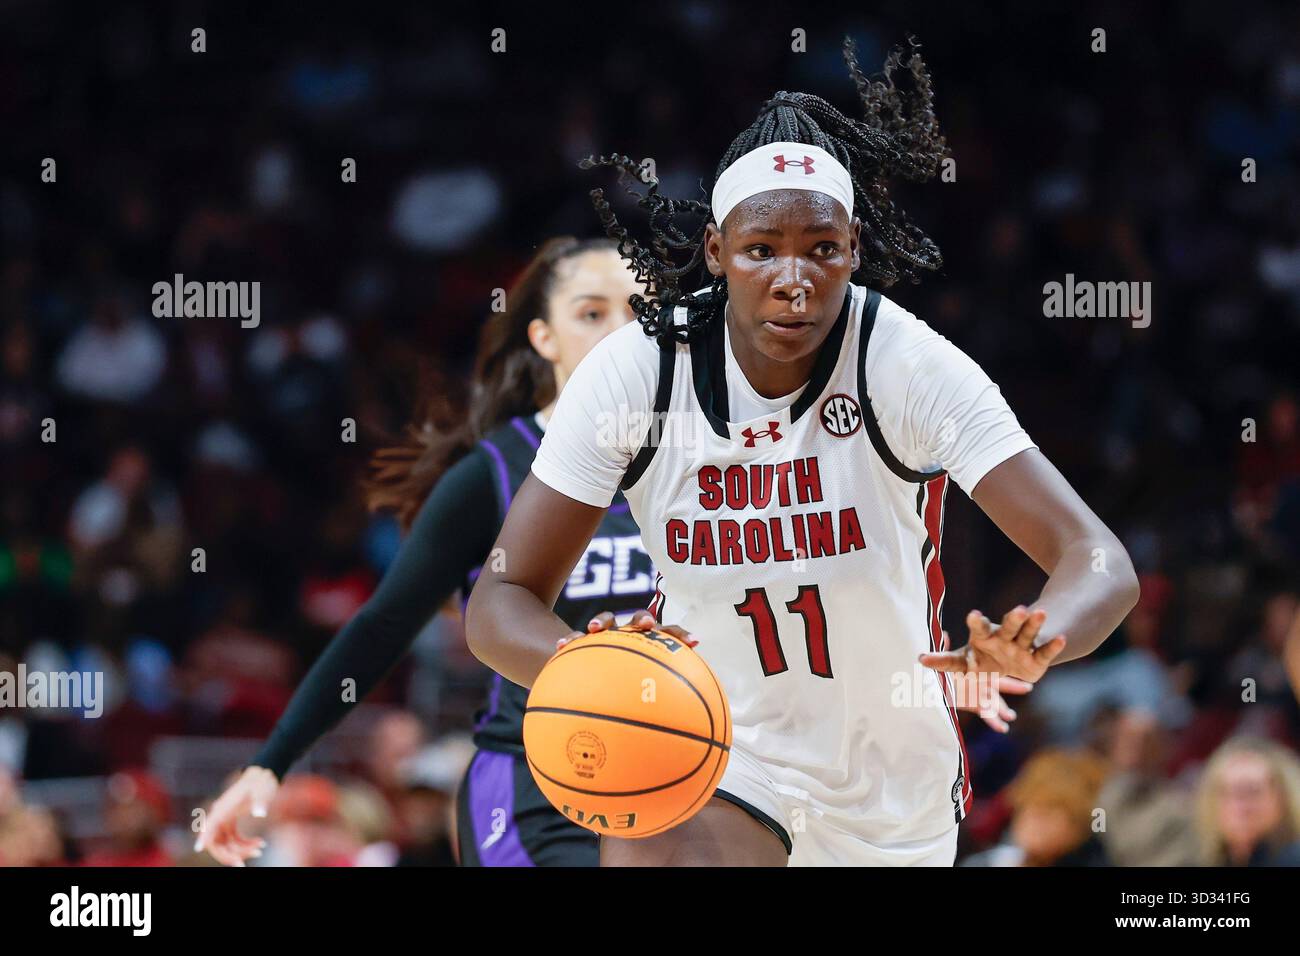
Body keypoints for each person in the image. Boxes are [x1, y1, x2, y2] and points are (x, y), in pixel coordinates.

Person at [465, 38, 1140, 866]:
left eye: (822, 249)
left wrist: (1039, 638)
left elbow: (1099, 560)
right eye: (761, 250)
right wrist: (587, 666)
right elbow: (500, 601)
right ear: (716, 254)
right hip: (709, 744)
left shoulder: (904, 363)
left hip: (892, 784)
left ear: (853, 248)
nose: (795, 278)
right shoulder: (637, 371)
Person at [196, 237, 658, 867]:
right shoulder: (492, 470)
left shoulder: (695, 459)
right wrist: (270, 762)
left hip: (672, 768)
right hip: (537, 777)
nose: (617, 331)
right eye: (592, 312)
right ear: (544, 338)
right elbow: (383, 623)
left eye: (638, 310)